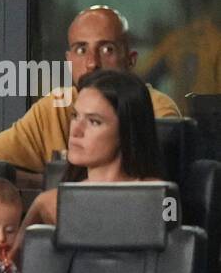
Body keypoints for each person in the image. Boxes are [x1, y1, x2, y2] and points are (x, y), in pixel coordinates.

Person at [0, 6, 180, 182]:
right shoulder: (55, 106)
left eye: (107, 49)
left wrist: (61, 187)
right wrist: (47, 185)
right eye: (81, 49)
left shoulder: (154, 107)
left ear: (130, 60)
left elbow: (153, 181)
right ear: (69, 61)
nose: (92, 63)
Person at [15, 69, 165, 235]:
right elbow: (9, 261)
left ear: (127, 131)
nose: (76, 130)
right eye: (75, 116)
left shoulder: (157, 196)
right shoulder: (49, 203)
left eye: (94, 121)